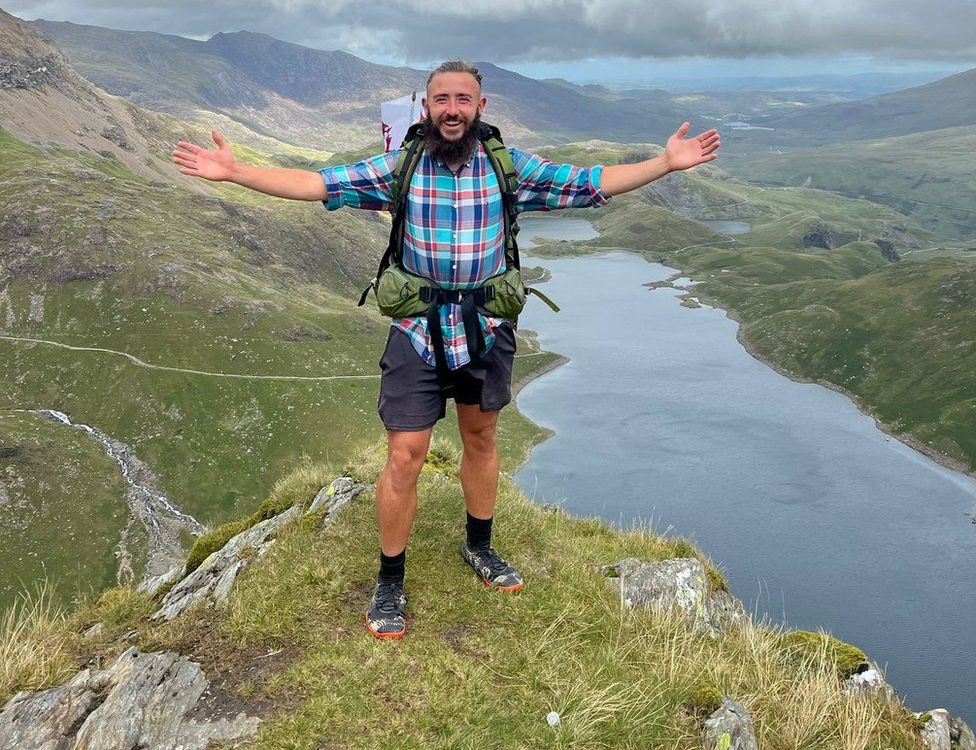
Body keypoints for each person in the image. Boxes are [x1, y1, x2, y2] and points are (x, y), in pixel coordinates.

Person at [171, 59, 720, 640]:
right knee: (405, 454)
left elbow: (586, 183)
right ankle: (390, 579)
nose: (452, 109)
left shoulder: (509, 168)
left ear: (481, 107)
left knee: (481, 437)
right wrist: (236, 173)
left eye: (463, 99)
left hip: (486, 327)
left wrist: (664, 163)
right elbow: (319, 184)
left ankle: (479, 546)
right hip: (417, 332)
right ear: (426, 108)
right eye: (441, 99)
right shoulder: (401, 167)